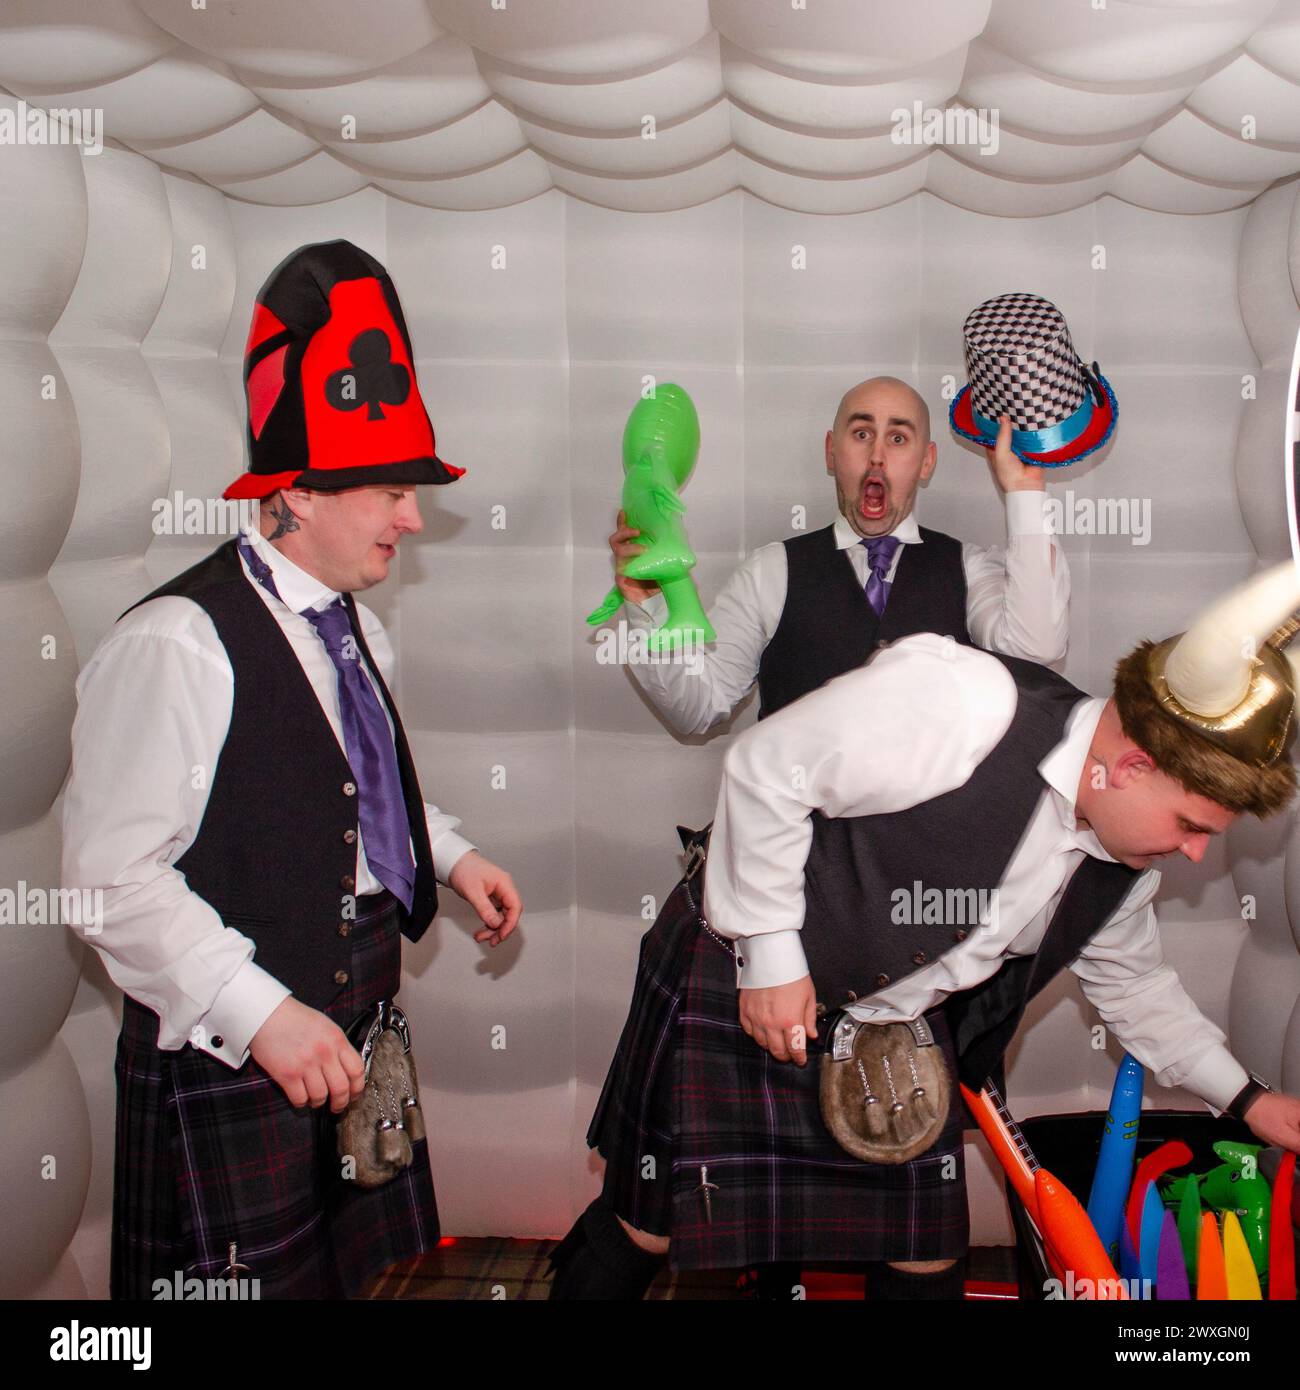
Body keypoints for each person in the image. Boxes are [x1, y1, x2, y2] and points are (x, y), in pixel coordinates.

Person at [550, 564, 1300, 1300]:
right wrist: (772, 956)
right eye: (1192, 825)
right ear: (1132, 764)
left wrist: (1249, 1101)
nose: (1196, 852)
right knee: (649, 1223)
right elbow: (766, 767)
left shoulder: (1123, 868)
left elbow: (1137, 990)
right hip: (737, 964)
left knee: (926, 1252)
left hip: (894, 1031)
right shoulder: (965, 701)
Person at [61, 240, 521, 1299]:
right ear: (299, 493)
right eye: (390, 492)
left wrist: (450, 854)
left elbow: (354, 788)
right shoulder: (180, 641)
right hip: (234, 1050)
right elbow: (104, 877)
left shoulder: (355, 625)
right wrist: (257, 1008)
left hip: (346, 1025)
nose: (412, 517)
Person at [608, 375, 1069, 735]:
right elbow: (697, 709)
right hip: (798, 853)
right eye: (861, 433)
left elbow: (1035, 652)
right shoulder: (772, 572)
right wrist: (648, 605)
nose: (876, 457)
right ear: (831, 451)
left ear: (927, 462)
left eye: (898, 438)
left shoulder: (969, 568)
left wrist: (1025, 494)